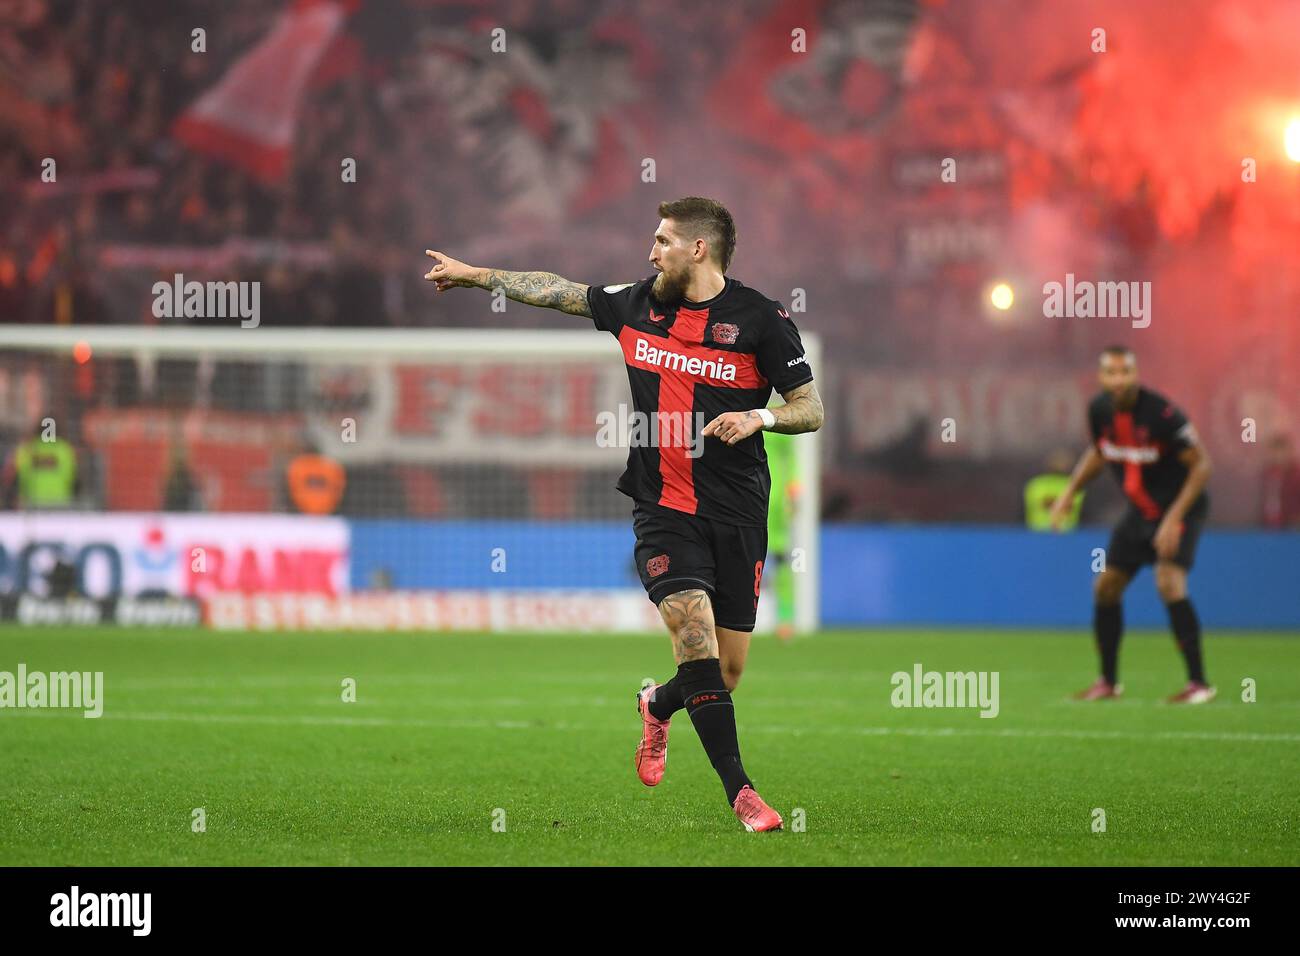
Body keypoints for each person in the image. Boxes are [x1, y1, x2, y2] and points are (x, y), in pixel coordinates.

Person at [423, 197, 824, 831]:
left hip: (737, 512)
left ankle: (657, 705)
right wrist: (478, 276)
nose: (650, 250)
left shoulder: (762, 321)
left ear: (698, 249)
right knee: (694, 639)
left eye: (663, 240)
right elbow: (558, 292)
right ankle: (742, 794)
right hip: (662, 507)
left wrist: (761, 416)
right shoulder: (638, 303)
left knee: (725, 670)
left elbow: (810, 407)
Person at [1048, 346, 1214, 704]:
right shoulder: (1099, 411)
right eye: (1112, 372)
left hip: (1180, 508)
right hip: (1141, 513)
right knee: (1106, 586)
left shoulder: (1162, 414)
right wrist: (1069, 492)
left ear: (1136, 374)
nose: (1119, 379)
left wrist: (1173, 518)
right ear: (1102, 377)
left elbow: (1201, 466)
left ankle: (1199, 684)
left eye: (1126, 371)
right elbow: (1099, 451)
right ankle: (1108, 682)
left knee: (1169, 582)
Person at [1024, 449, 1083, 531]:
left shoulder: (1075, 484)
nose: (1059, 465)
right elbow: (1043, 503)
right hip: (1038, 533)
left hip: (1068, 534)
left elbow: (1071, 504)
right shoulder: (1037, 483)